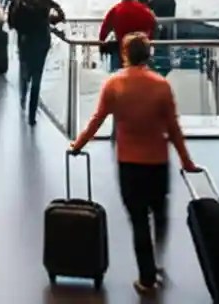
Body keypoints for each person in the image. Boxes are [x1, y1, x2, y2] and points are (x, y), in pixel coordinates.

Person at [70, 34, 200, 297]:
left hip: (129, 164)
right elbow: (173, 128)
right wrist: (186, 161)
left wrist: (78, 145)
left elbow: (98, 120)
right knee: (160, 215)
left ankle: (147, 276)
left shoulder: (115, 85)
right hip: (158, 161)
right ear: (149, 55)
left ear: (125, 53)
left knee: (138, 220)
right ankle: (158, 258)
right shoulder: (161, 85)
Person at [7, 0, 66, 125]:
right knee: (38, 76)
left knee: (25, 68)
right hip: (42, 41)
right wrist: (48, 20)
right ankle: (32, 114)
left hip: (25, 41)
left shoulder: (19, 1)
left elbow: (11, 22)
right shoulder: (45, 1)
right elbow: (61, 15)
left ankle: (23, 95)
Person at [98, 0, 157, 70]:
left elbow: (104, 30)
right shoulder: (145, 10)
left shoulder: (116, 10)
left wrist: (101, 43)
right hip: (142, 51)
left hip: (122, 50)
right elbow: (154, 26)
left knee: (118, 75)